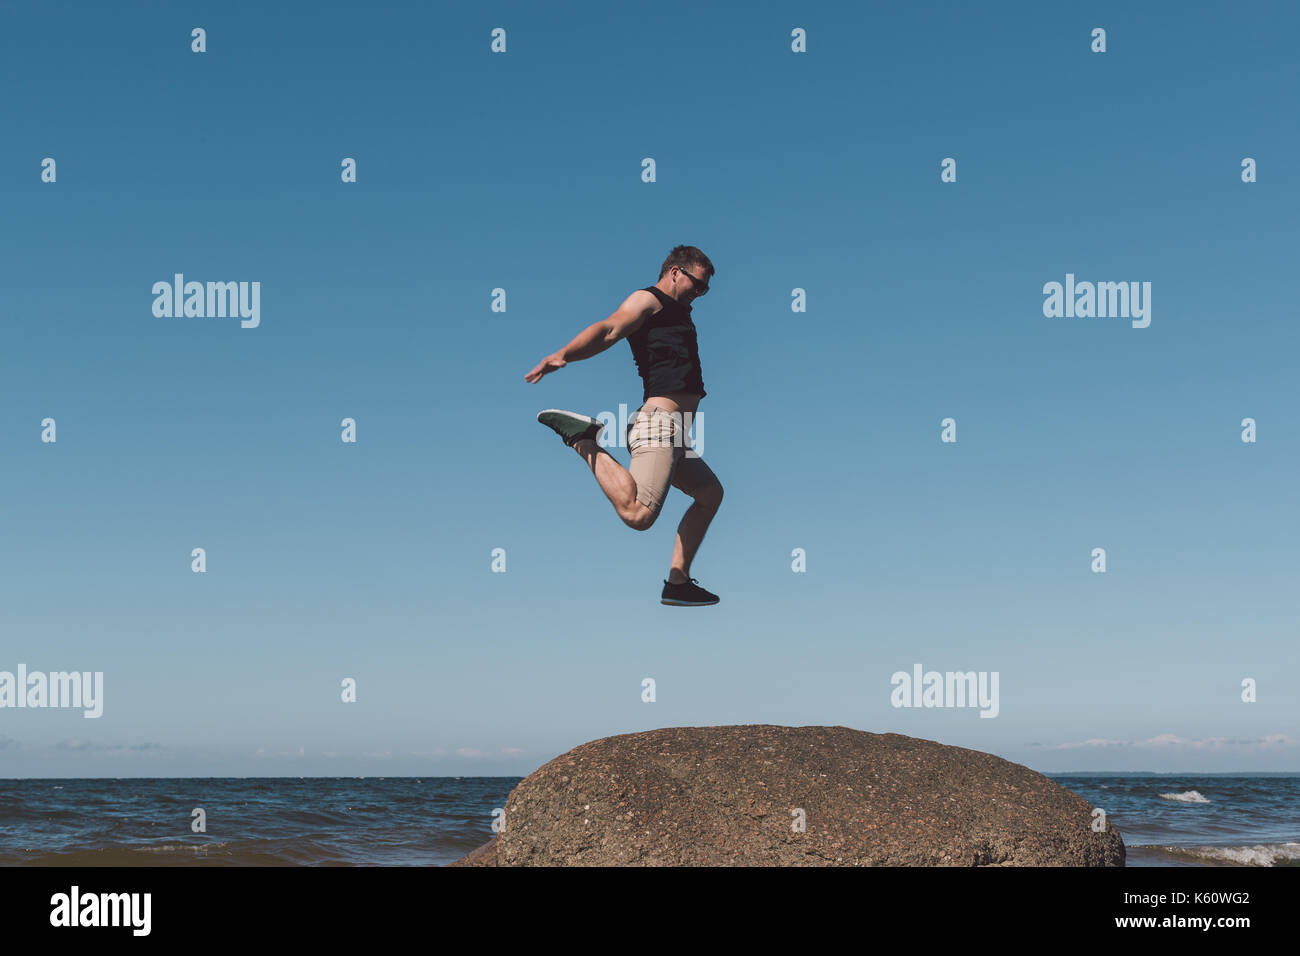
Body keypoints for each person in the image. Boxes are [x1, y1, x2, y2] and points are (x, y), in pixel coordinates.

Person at [524, 245, 723, 606]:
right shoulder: (649, 300)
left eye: (705, 290)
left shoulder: (677, 310)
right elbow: (610, 329)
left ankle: (677, 582)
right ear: (675, 272)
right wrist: (564, 355)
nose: (699, 294)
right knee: (638, 513)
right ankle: (584, 441)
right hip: (657, 425)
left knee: (710, 493)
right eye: (697, 285)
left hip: (675, 434)